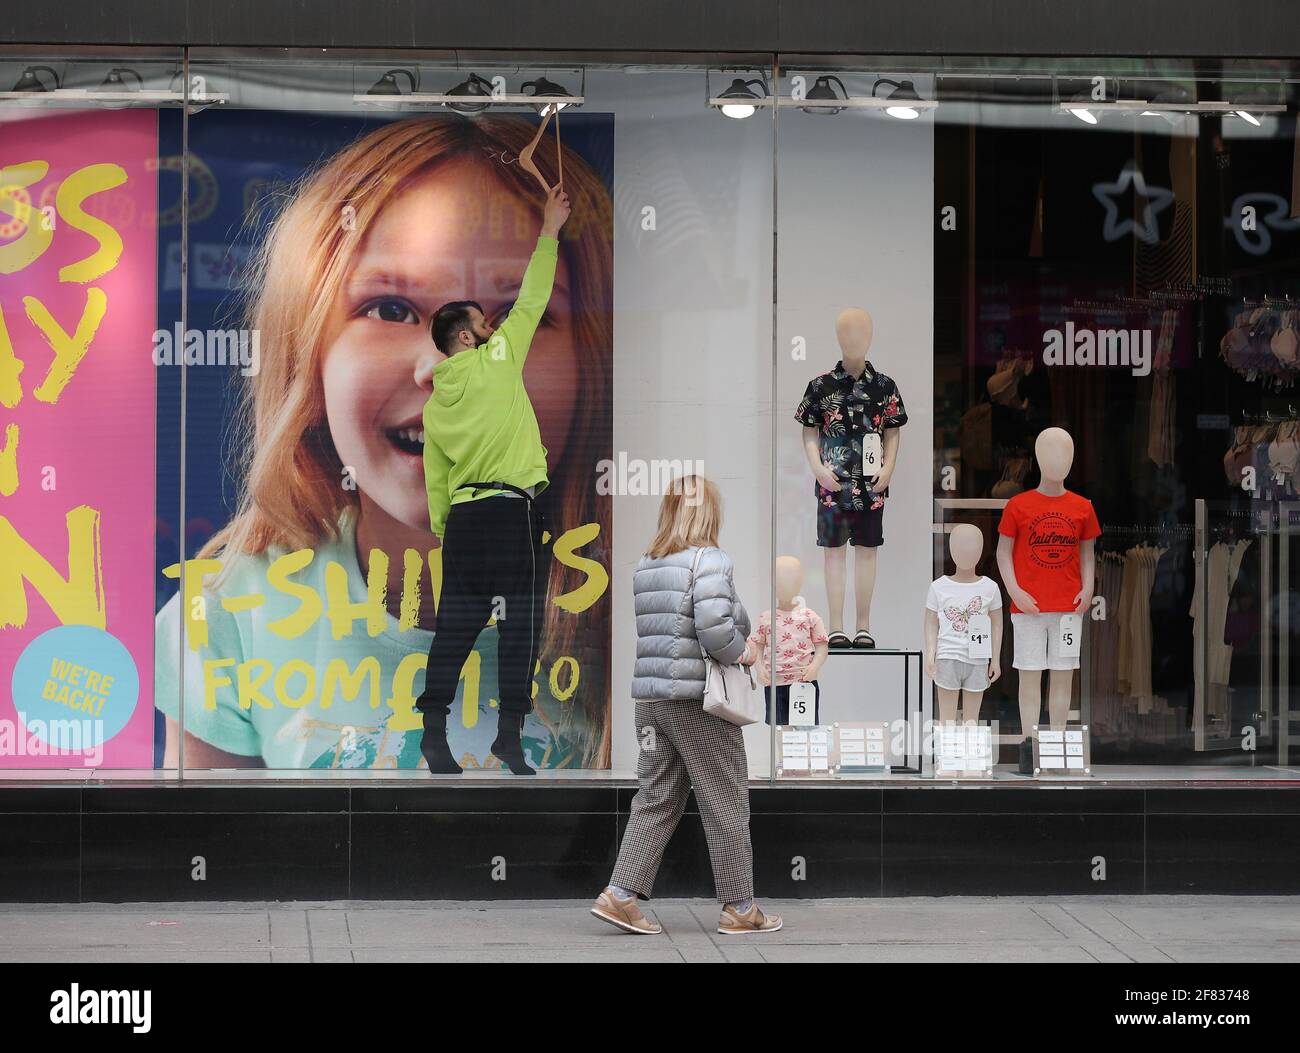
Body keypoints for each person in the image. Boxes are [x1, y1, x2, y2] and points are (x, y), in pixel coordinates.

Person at [155, 117, 611, 772]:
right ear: (308, 348)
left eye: (517, 320)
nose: (428, 367)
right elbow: (211, 864)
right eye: (392, 308)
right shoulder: (229, 615)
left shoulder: (620, 605)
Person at [415, 184, 571, 775]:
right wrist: (549, 229)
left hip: (462, 522)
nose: (491, 325)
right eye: (481, 323)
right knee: (519, 625)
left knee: (454, 627)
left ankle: (434, 734)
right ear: (464, 337)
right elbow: (532, 299)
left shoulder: (435, 403)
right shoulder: (497, 359)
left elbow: (437, 481)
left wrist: (446, 531)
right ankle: (509, 736)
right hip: (509, 513)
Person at [591, 475, 784, 936]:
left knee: (655, 798)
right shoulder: (710, 560)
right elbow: (715, 631)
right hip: (697, 704)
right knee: (726, 800)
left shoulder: (647, 563)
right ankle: (740, 907)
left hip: (651, 701)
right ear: (708, 513)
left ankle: (620, 896)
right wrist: (746, 652)